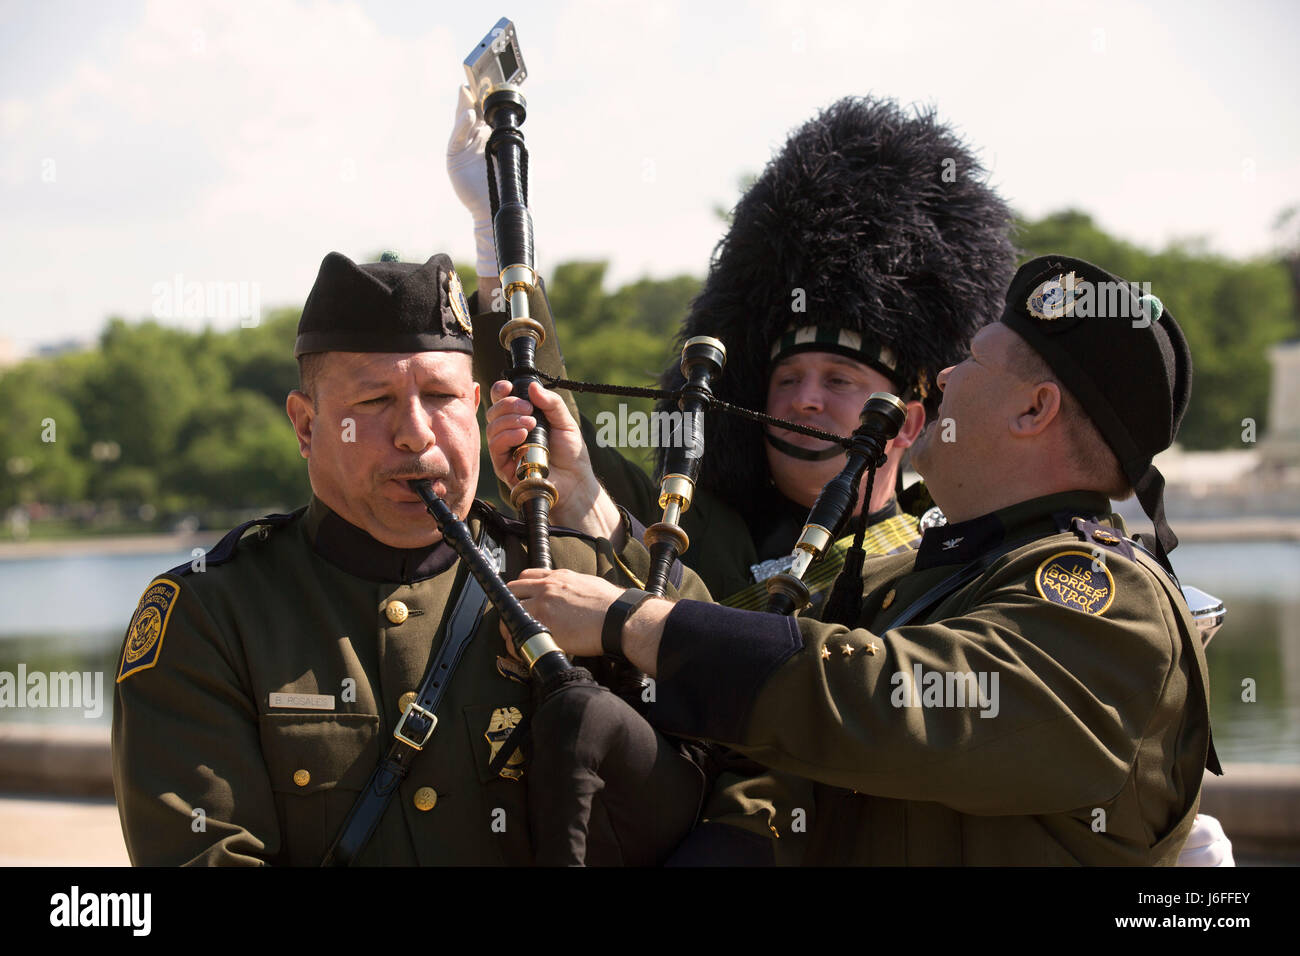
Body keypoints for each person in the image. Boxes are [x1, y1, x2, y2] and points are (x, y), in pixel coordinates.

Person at [502, 255, 1222, 865]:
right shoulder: (953, 575)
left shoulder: (1103, 596)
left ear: (1034, 410)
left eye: (971, 360)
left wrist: (632, 621)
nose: (942, 379)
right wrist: (586, 503)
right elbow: (780, 666)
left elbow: (883, 698)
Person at [111, 251, 710, 866]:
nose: (415, 433)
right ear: (305, 426)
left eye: (440, 395)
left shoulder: (562, 567)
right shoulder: (212, 615)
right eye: (374, 402)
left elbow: (725, 680)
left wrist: (585, 499)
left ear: (477, 407)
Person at [449, 94, 1016, 607]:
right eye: (788, 379)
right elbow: (553, 426)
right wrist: (497, 221)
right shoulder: (686, 517)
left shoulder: (944, 565)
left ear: (909, 422)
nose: (805, 402)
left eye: (839, 381)